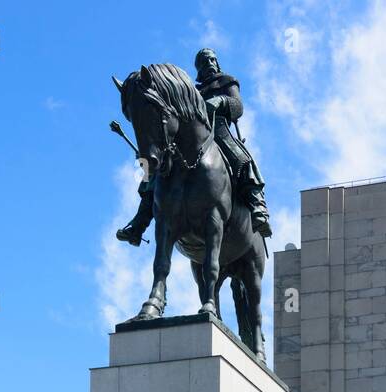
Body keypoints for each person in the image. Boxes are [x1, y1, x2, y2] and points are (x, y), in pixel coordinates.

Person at [116, 47, 272, 246]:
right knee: (155, 171)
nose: (209, 64)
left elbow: (238, 106)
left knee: (242, 158)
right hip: (189, 139)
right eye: (204, 62)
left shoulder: (226, 81)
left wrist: (221, 100)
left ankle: (258, 206)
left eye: (212, 60)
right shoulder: (193, 90)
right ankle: (139, 223)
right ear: (198, 68)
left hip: (219, 130)